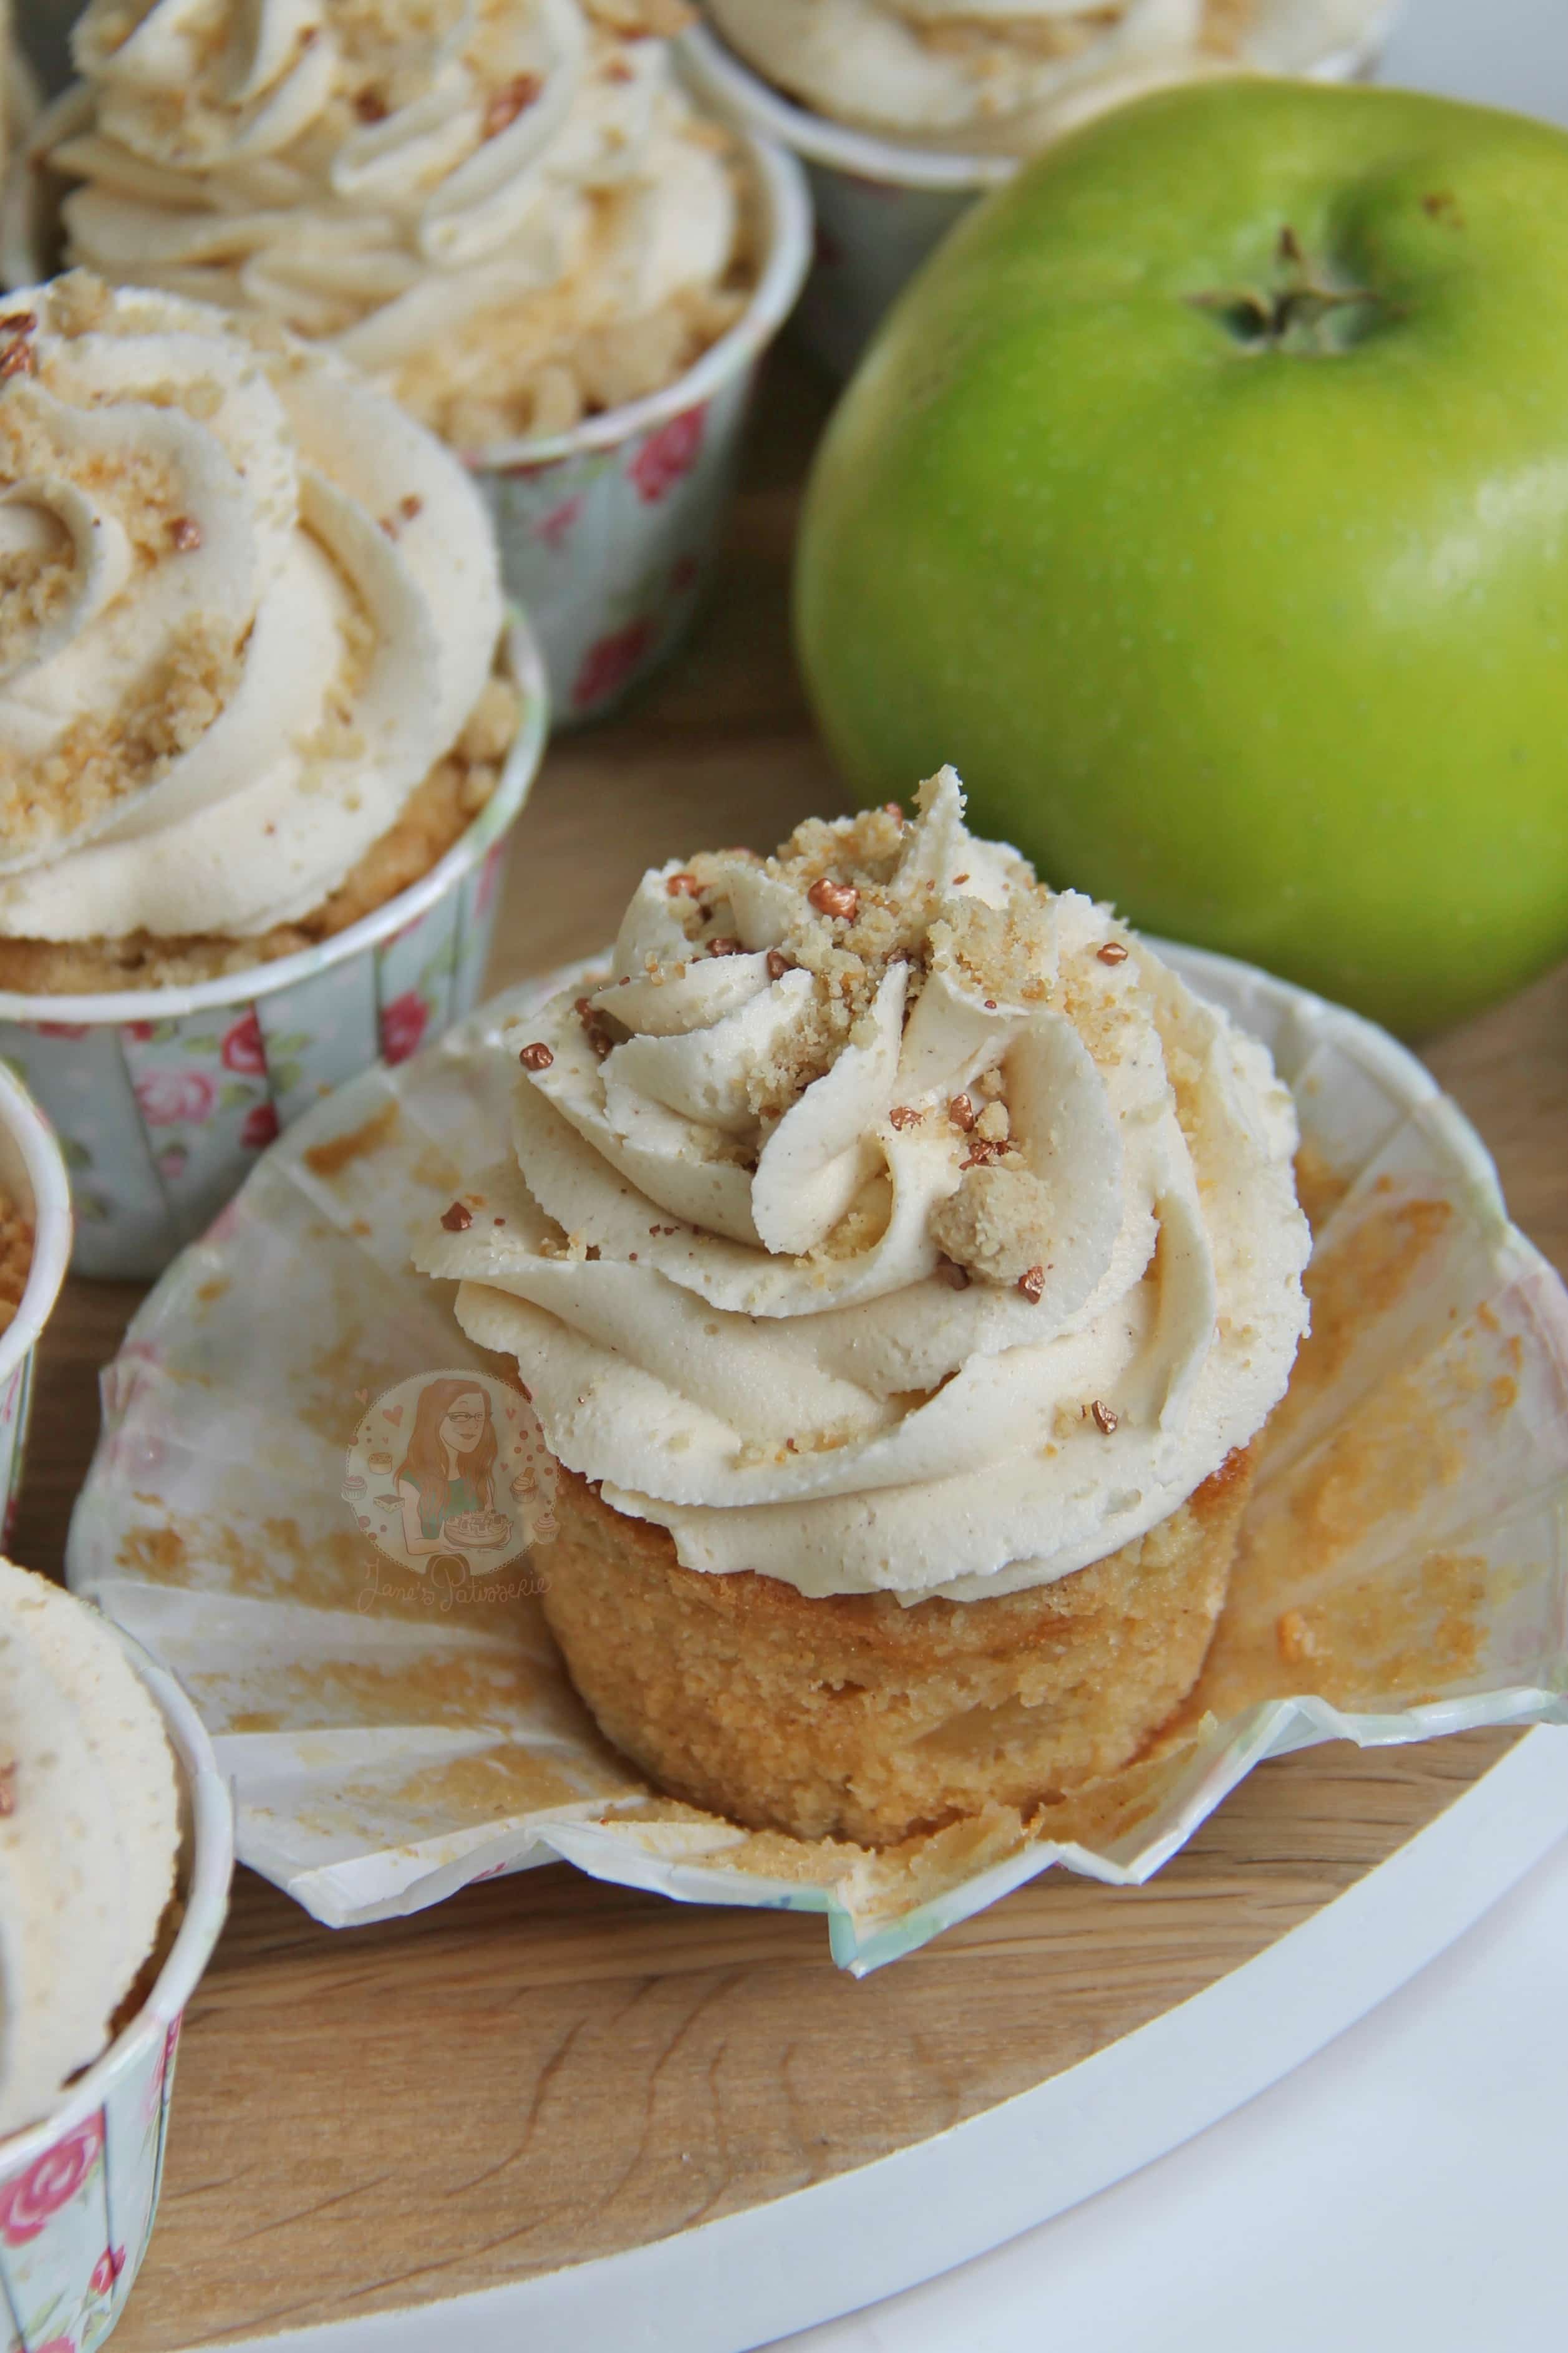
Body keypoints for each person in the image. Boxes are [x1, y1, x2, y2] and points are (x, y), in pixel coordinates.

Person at [395, 1378, 510, 1563]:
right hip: (431, 1577)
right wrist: (443, 1543)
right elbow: (414, 1545)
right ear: (435, 1417)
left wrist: (498, 1537)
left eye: (480, 1416)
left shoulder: (480, 1474)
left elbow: (489, 1527)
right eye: (461, 1415)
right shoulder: (411, 1479)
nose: (473, 1425)